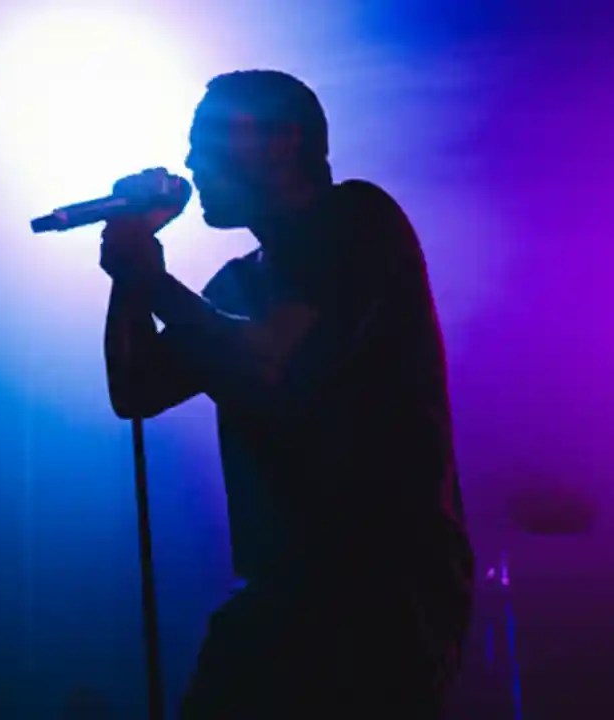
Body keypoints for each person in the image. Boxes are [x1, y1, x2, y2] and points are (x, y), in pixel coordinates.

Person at [99, 70, 474, 718]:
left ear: (282, 140)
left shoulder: (358, 219)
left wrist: (153, 283)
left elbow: (280, 363)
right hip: (283, 594)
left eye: (208, 138)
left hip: (382, 592)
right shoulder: (237, 283)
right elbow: (136, 389)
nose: (190, 160)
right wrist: (131, 272)